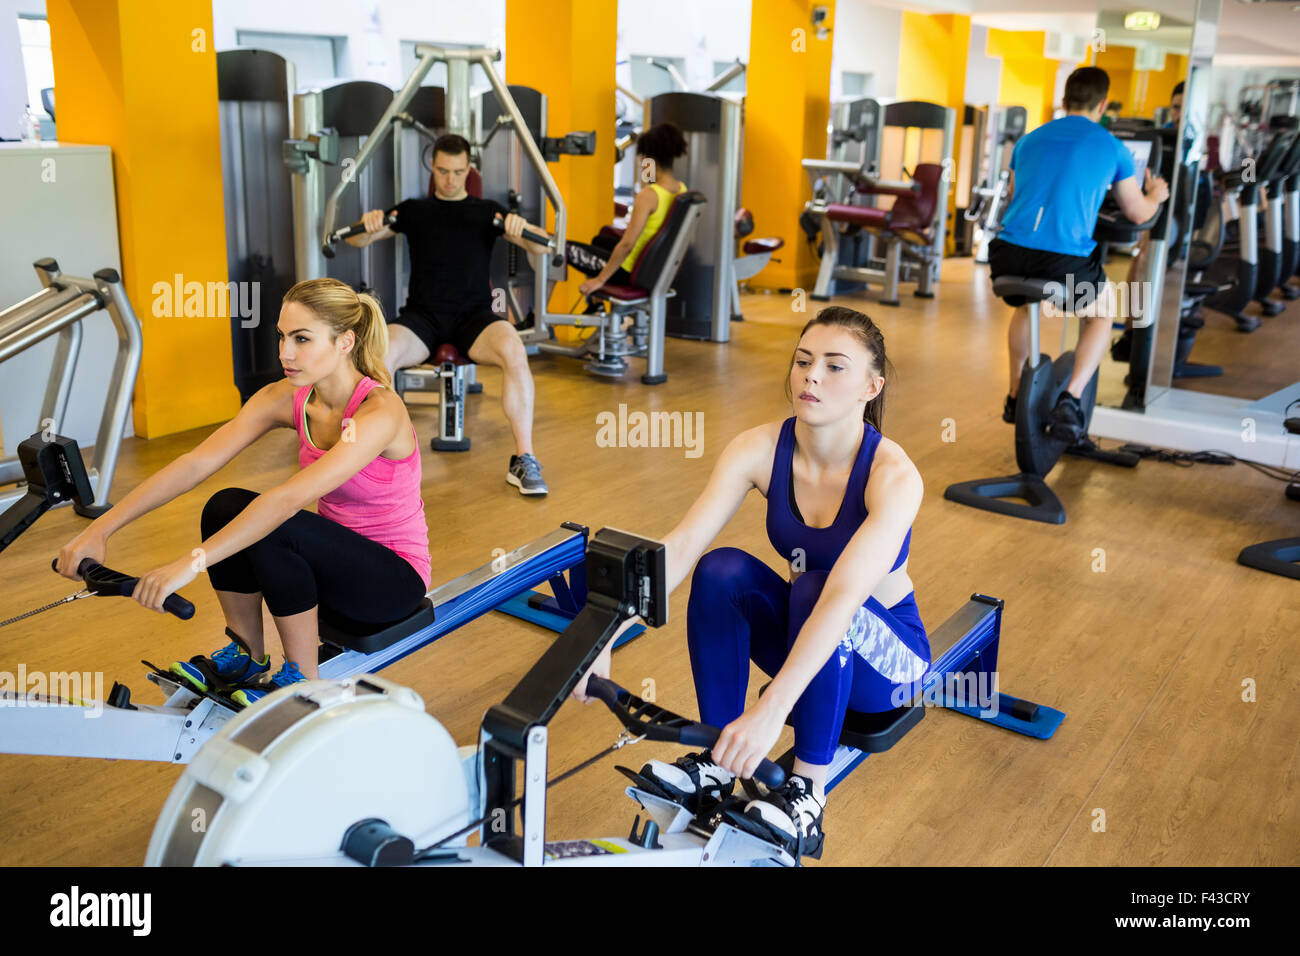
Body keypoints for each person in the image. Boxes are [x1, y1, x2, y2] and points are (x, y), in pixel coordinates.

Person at [574, 307, 929, 859]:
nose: (811, 376)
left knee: (815, 586)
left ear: (870, 386)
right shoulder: (760, 448)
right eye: (803, 361)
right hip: (809, 635)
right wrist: (600, 634)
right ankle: (716, 762)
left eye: (835, 367)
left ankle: (807, 792)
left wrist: (769, 711)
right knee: (721, 569)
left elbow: (840, 598)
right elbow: (682, 545)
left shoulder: (894, 476)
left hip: (889, 667)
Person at [54, 279, 431, 707]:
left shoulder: (379, 412)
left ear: (345, 341)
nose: (285, 353)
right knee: (226, 504)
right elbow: (196, 462)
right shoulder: (288, 398)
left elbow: (287, 500)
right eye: (282, 337)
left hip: (392, 582)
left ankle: (302, 678)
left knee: (274, 521)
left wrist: (188, 565)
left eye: (302, 339)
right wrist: (102, 529)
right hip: (332, 571)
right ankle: (246, 654)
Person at [349, 133, 554, 496]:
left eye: (458, 172)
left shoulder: (488, 211)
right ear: (433, 167)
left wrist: (525, 229)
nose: (450, 179)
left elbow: (540, 250)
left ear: (469, 169)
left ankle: (524, 457)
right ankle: (379, 456)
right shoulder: (414, 210)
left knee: (514, 350)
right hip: (422, 317)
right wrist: (369, 223)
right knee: (379, 356)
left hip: (475, 317)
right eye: (443, 171)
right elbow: (356, 240)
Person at [990, 66, 1169, 442]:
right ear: (1102, 104)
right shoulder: (1112, 146)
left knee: (1027, 306)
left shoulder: (1028, 140)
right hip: (1061, 262)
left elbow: (1014, 199)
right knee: (1102, 313)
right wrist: (1157, 194)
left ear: (1063, 100)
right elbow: (1137, 213)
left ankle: (1013, 395)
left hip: (1006, 255)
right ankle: (1071, 400)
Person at [564, 122, 688, 302]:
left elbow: (627, 245)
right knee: (599, 240)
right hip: (653, 268)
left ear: (648, 157)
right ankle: (596, 304)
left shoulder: (648, 196)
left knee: (561, 249)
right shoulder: (681, 189)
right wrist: (649, 177)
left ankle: (537, 318)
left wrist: (600, 280)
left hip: (628, 270)